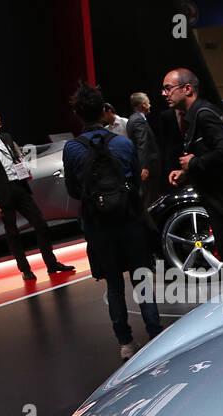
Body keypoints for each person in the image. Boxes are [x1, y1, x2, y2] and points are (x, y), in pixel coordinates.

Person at [62, 83, 160, 358]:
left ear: (78, 115)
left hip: (97, 226)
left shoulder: (71, 149)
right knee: (141, 278)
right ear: (103, 110)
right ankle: (155, 332)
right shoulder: (122, 143)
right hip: (129, 221)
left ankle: (126, 343)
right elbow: (136, 183)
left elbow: (72, 190)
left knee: (114, 285)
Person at [162, 67, 223, 279]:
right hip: (218, 198)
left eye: (168, 88)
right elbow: (210, 154)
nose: (164, 94)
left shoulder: (204, 114)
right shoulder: (195, 115)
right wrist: (186, 171)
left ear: (187, 89)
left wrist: (194, 162)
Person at [0, 109, 76, 280]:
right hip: (1, 193)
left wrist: (24, 170)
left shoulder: (6, 137)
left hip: (19, 187)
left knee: (41, 224)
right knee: (12, 233)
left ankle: (51, 264)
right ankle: (25, 269)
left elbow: (17, 157)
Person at [126, 92, 163, 211]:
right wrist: (144, 167)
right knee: (150, 200)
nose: (150, 105)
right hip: (149, 168)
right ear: (143, 105)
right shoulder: (138, 120)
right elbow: (142, 144)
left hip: (148, 167)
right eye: (148, 102)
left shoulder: (134, 118)